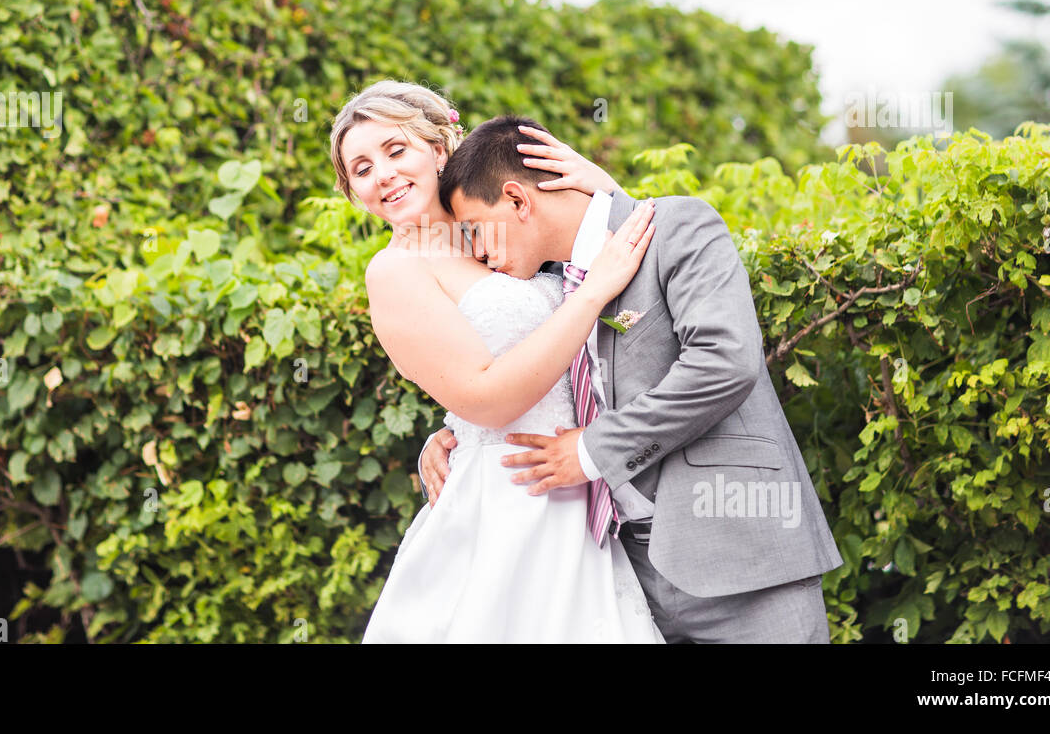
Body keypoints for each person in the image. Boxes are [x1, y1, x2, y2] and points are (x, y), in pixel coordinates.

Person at [424, 114, 846, 642]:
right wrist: (454, 436)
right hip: (619, 579)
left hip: (741, 555)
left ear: (517, 198)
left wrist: (589, 451)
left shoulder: (677, 227)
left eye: (475, 230)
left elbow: (724, 360)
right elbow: (512, 380)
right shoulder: (544, 286)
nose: (477, 252)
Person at [330, 80, 664, 642]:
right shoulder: (393, 271)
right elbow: (487, 398)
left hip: (584, 482)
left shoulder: (499, 216)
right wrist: (463, 420)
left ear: (440, 149)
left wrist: (601, 186)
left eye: (395, 151)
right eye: (360, 169)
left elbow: (605, 259)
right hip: (512, 496)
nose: (382, 174)